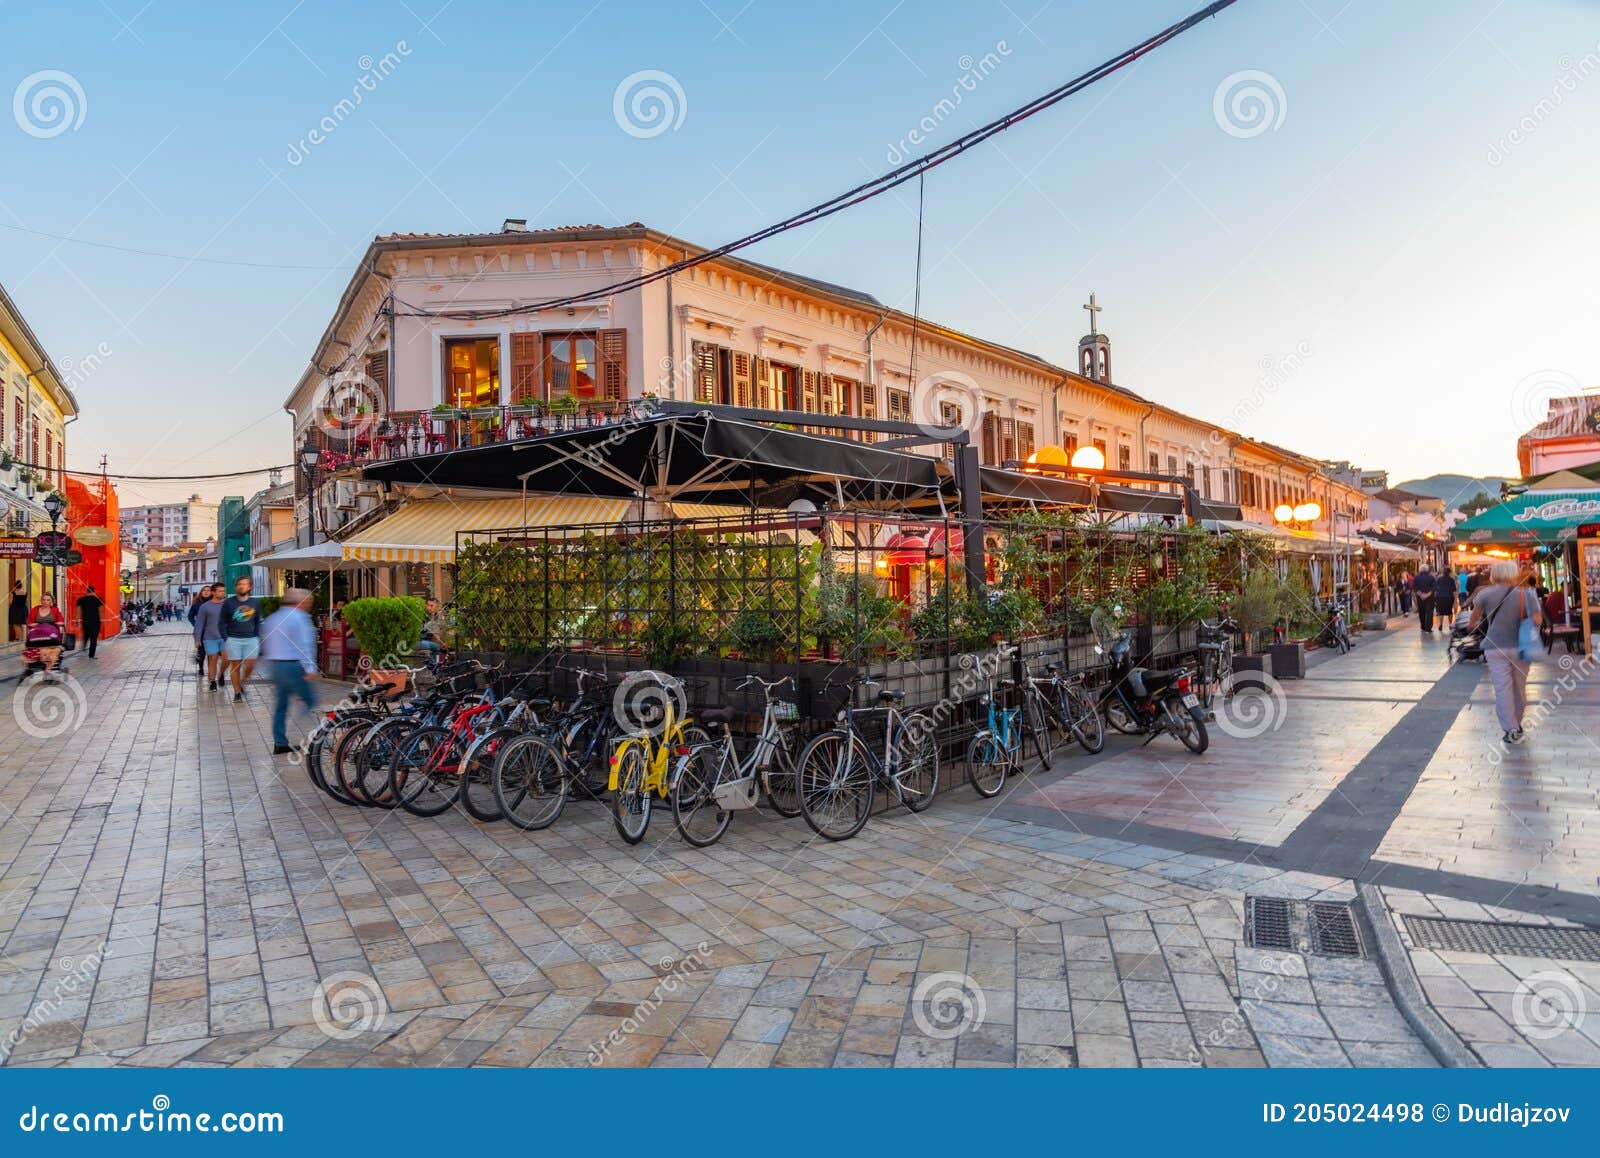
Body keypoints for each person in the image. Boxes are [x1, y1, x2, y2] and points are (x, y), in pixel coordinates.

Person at [1469, 560, 1543, 744]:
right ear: (1514, 573)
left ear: (1495, 574)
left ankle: (1510, 728)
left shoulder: (1484, 594)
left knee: (1502, 689)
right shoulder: (1527, 594)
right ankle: (1517, 724)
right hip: (1520, 647)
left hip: (1494, 648)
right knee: (1519, 688)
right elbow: (1538, 620)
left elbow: (1472, 622)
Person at [261, 587, 319, 755]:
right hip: (293, 666)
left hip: (276, 665)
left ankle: (280, 741)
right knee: (310, 701)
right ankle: (308, 737)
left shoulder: (272, 618)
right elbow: (305, 645)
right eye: (308, 602)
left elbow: (266, 643)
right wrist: (310, 669)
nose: (309, 605)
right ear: (301, 602)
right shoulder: (300, 618)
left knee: (281, 705)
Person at [218, 576, 262, 702]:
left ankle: (242, 682)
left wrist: (257, 635)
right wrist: (225, 637)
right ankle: (237, 692)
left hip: (251, 638)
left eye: (245, 584)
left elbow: (258, 620)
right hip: (233, 638)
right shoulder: (229, 602)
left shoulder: (255, 602)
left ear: (250, 587)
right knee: (235, 666)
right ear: (236, 586)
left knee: (250, 664)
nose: (242, 586)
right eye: (239, 584)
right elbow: (222, 622)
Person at [24, 593, 66, 679]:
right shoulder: (35, 609)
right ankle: (37, 668)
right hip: (37, 635)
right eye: (43, 599)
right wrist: (32, 624)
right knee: (30, 651)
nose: (45, 601)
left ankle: (49, 669)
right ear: (41, 600)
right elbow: (29, 621)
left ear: (51, 602)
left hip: (50, 636)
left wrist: (58, 623)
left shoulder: (55, 610)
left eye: (48, 600)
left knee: (55, 649)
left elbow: (61, 621)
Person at [193, 584, 227, 690]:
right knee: (213, 659)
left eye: (223, 591)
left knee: (227, 659)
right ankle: (212, 682)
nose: (223, 593)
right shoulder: (205, 606)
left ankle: (221, 673)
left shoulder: (227, 605)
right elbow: (199, 623)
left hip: (225, 638)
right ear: (213, 592)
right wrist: (197, 639)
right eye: (220, 591)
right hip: (210, 637)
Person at [76, 585, 106, 658]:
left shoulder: (81, 599)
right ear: (94, 591)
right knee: (93, 638)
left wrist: (77, 620)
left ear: (86, 591)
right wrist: (103, 621)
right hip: (95, 621)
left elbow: (78, 611)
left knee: (86, 634)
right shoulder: (98, 599)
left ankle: (84, 645)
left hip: (85, 621)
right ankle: (91, 655)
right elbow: (101, 611)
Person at [1413, 565, 1437, 633]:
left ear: (1420, 570)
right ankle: (1428, 628)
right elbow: (1434, 587)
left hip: (1420, 597)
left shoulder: (1416, 577)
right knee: (1429, 612)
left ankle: (1423, 626)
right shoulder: (1431, 577)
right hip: (1429, 597)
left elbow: (1414, 587)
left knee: (1421, 612)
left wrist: (1420, 594)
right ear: (1427, 570)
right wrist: (1428, 594)